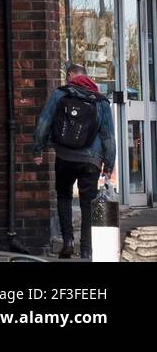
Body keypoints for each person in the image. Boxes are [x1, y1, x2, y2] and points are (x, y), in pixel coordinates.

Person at [32, 64, 116, 260]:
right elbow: (108, 136)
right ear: (86, 77)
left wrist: (38, 149)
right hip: (91, 161)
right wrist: (108, 165)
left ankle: (68, 241)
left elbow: (44, 122)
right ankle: (86, 249)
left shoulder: (60, 94)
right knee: (88, 203)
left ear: (70, 75)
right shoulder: (100, 101)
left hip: (64, 156)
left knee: (64, 196)